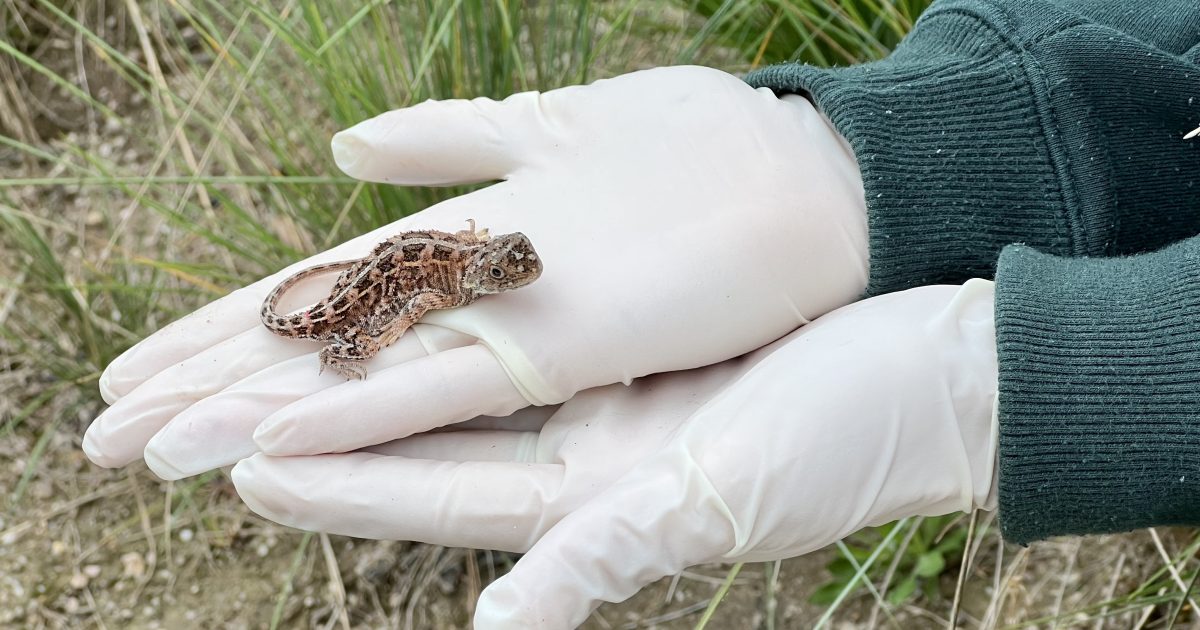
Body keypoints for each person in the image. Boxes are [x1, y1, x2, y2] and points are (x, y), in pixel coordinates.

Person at [82, 0, 1199, 627]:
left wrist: (1053, 375)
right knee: (374, 312)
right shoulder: (448, 268)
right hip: (403, 280)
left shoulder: (485, 265)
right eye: (504, 270)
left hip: (438, 270)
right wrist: (907, 148)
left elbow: (489, 265)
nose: (520, 275)